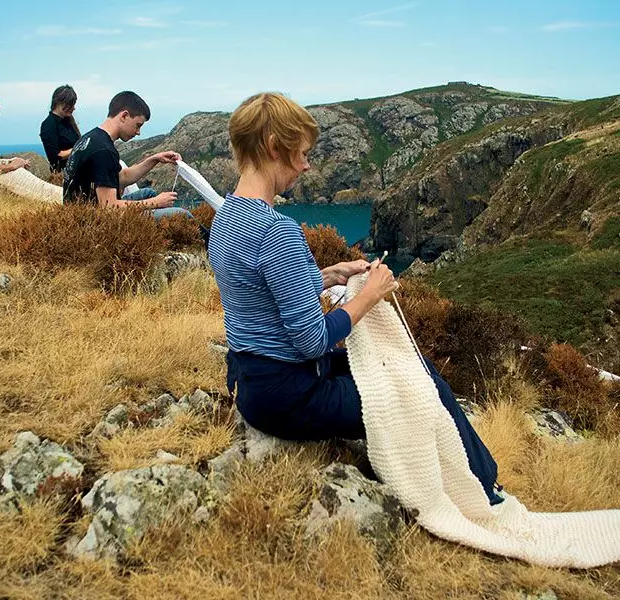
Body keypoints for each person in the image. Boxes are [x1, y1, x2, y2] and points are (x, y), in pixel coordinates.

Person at [208, 92, 503, 504]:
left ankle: (479, 481)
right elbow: (311, 340)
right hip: (291, 395)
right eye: (303, 153)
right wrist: (371, 295)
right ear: (275, 147)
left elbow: (264, 295)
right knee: (418, 389)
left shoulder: (227, 217)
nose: (307, 165)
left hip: (250, 381)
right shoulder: (278, 231)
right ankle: (485, 491)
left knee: (411, 367)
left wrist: (328, 275)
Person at [62, 90, 193, 220]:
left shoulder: (92, 137)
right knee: (182, 215)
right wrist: (156, 202)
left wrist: (155, 159)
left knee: (148, 193)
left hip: (79, 214)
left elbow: (122, 177)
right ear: (124, 116)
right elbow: (109, 208)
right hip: (92, 222)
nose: (138, 132)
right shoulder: (103, 151)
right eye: (138, 125)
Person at [39, 84, 80, 173]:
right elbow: (55, 157)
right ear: (59, 103)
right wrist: (79, 148)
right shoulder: (48, 125)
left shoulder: (68, 121)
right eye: (70, 105)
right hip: (63, 173)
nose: (73, 108)